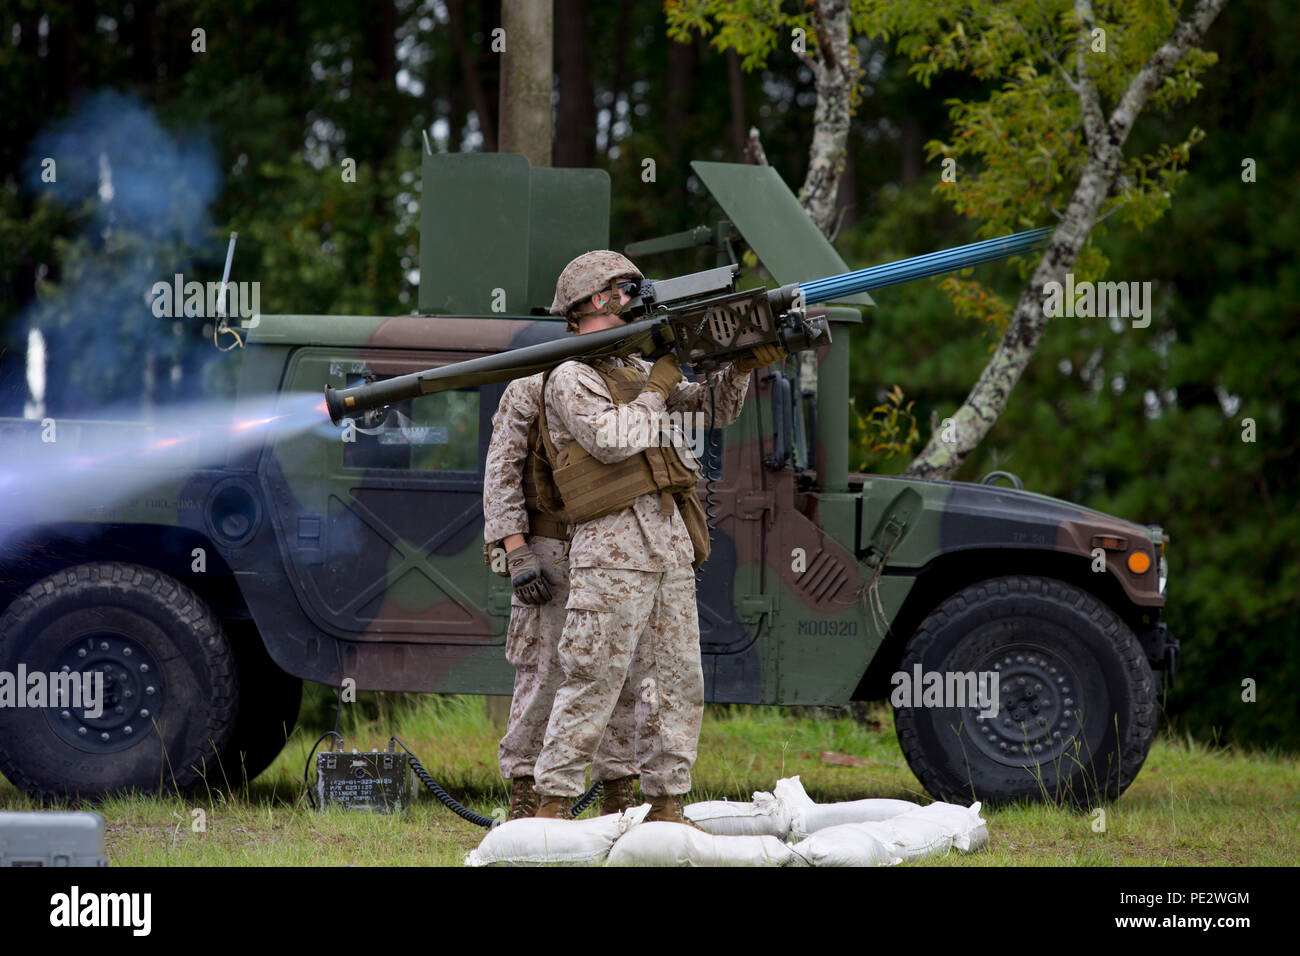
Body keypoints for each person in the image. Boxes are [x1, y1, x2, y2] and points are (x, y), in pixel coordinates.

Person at [531, 250, 783, 823]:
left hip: (667, 546)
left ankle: (667, 803)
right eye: (626, 289)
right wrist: (660, 382)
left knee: (676, 680)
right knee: (592, 676)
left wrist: (740, 364)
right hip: (612, 552)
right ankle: (553, 805)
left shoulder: (637, 369)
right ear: (593, 300)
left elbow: (710, 409)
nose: (635, 299)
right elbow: (613, 440)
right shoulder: (572, 376)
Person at [483, 302, 640, 821]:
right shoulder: (530, 388)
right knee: (546, 672)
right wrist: (516, 551)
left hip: (613, 548)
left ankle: (620, 791)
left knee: (619, 671)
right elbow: (502, 474)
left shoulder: (628, 382)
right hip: (550, 551)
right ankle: (527, 795)